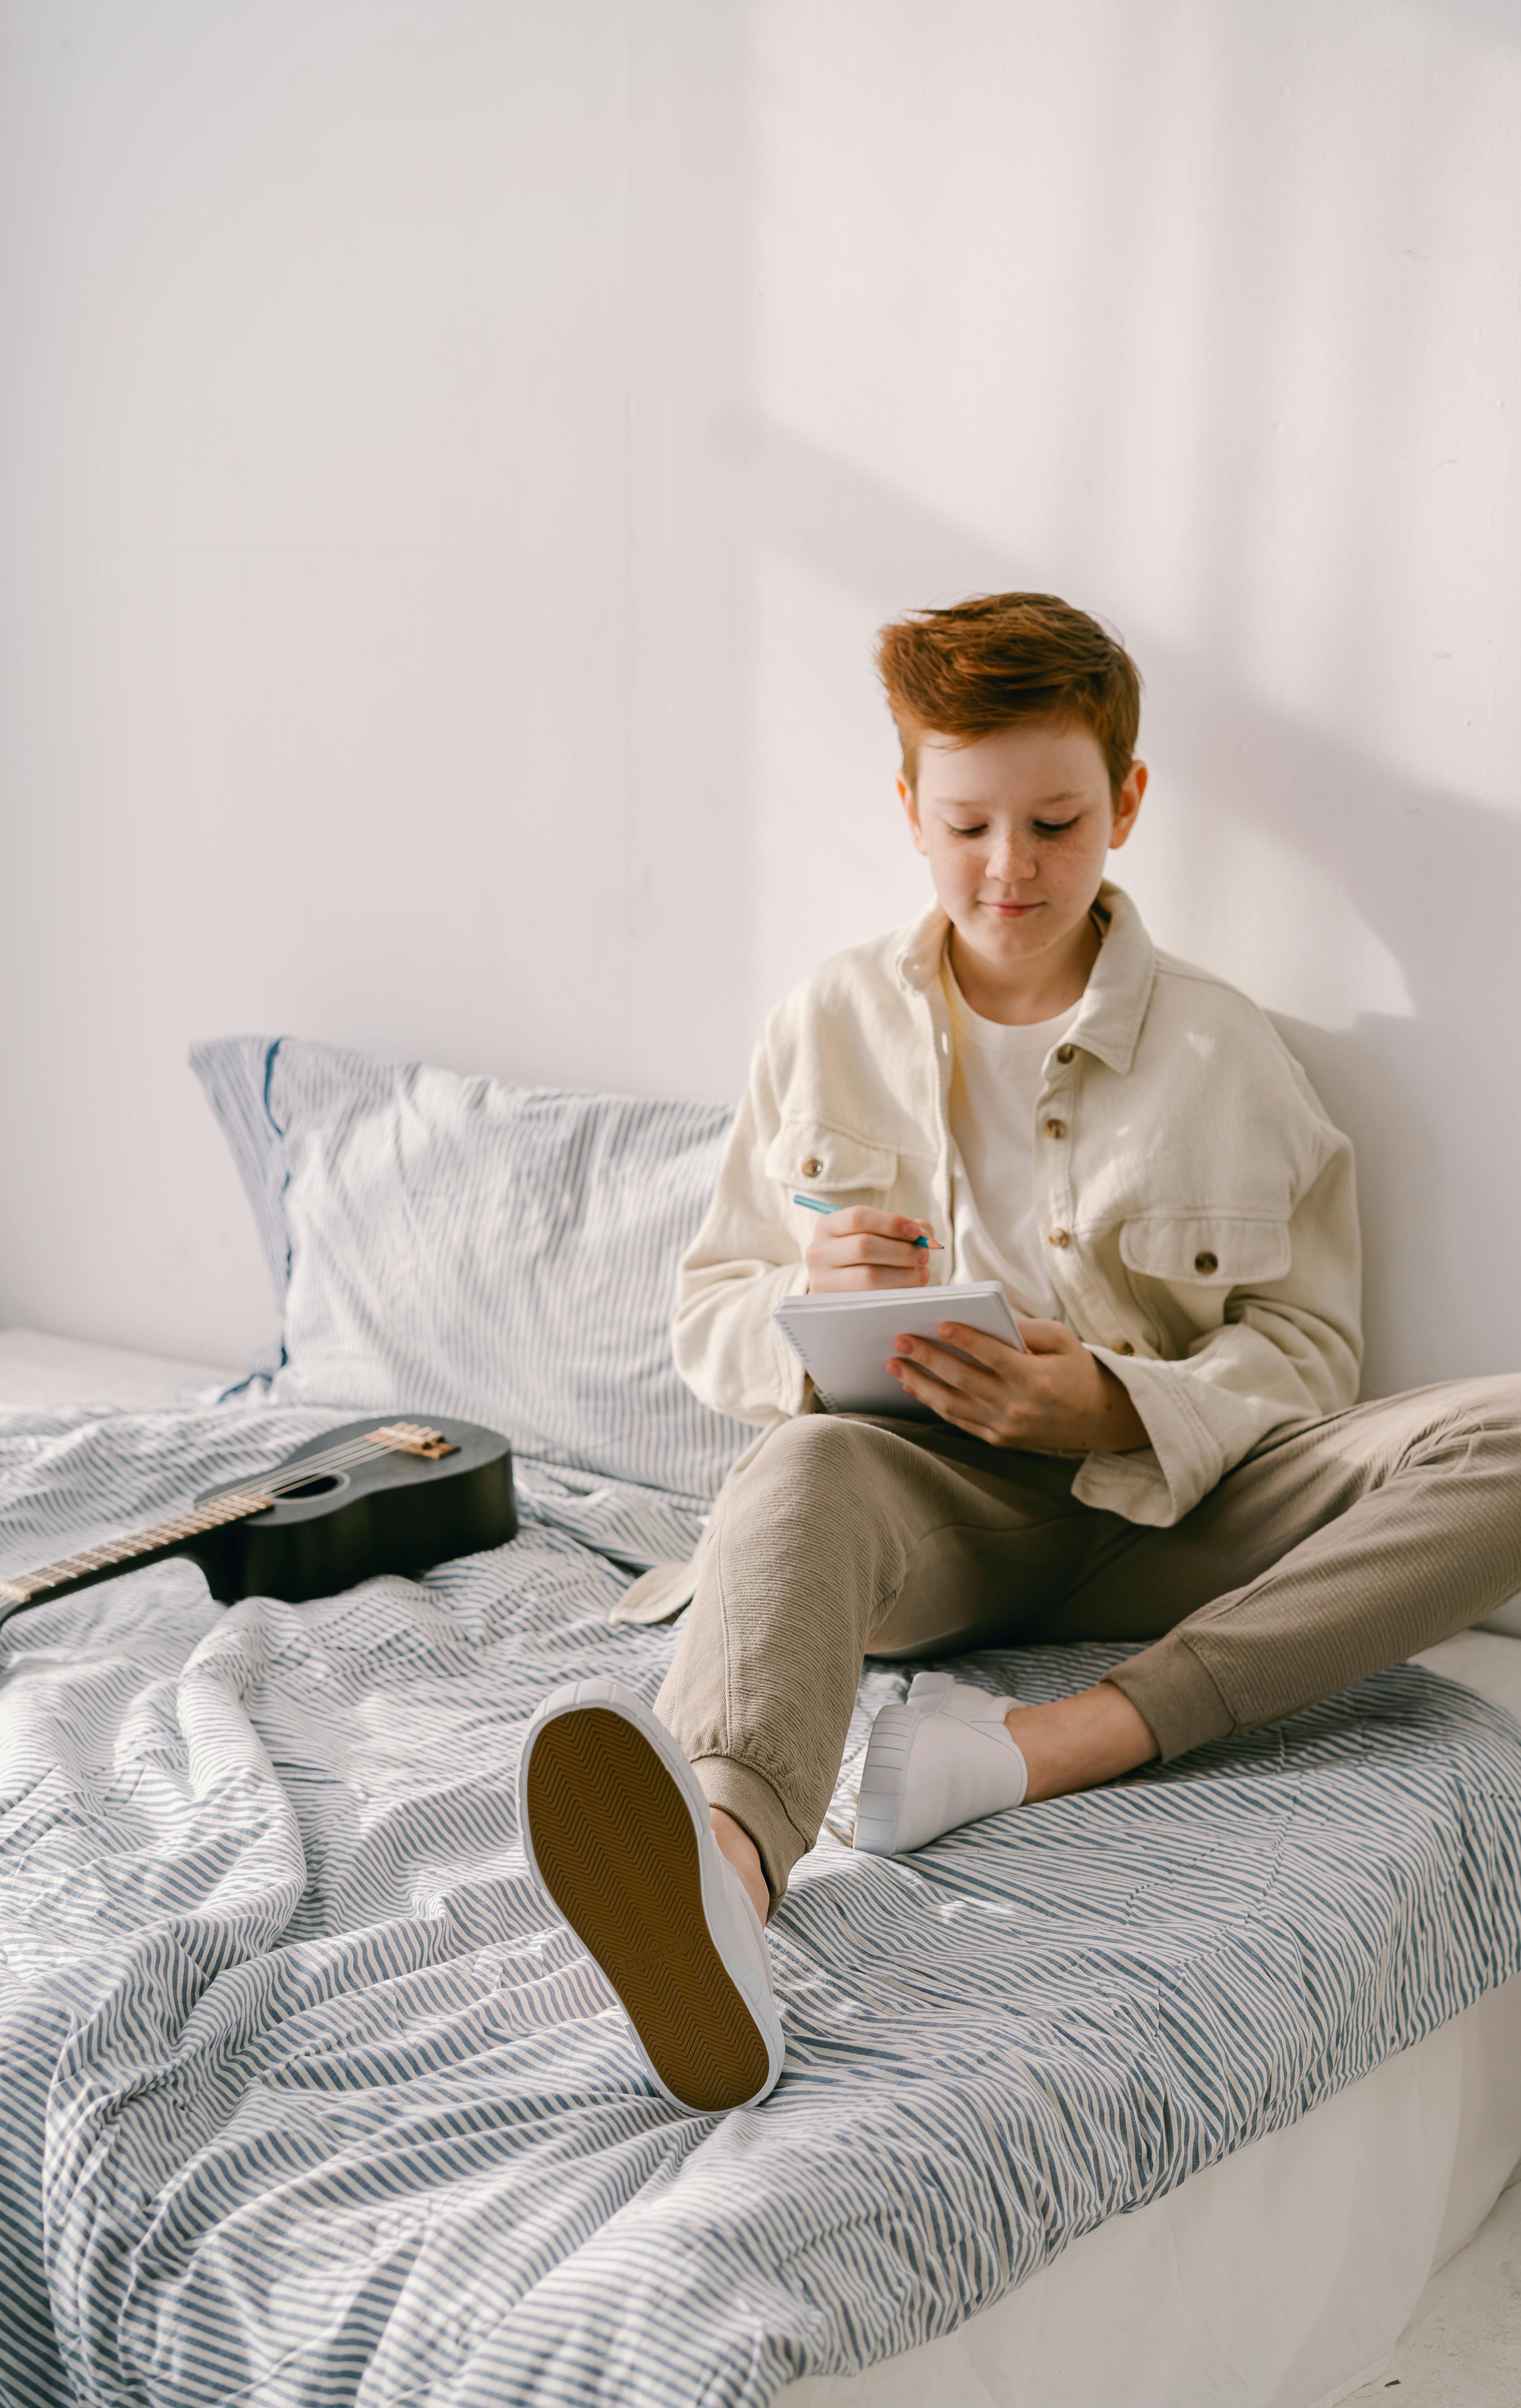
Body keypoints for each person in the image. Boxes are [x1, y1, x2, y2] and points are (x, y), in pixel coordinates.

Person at [516, 592, 1521, 2115]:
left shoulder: (1226, 1050)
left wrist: (1121, 1398)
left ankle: (1050, 1744)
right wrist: (805, 1292)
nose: (1010, 868)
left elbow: (1314, 1349)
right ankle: (720, 1875)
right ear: (910, 807)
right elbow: (708, 1308)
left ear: (1123, 801)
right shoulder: (823, 1023)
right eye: (970, 822)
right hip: (930, 1519)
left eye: (1055, 821)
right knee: (800, 1465)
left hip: (1176, 1516)